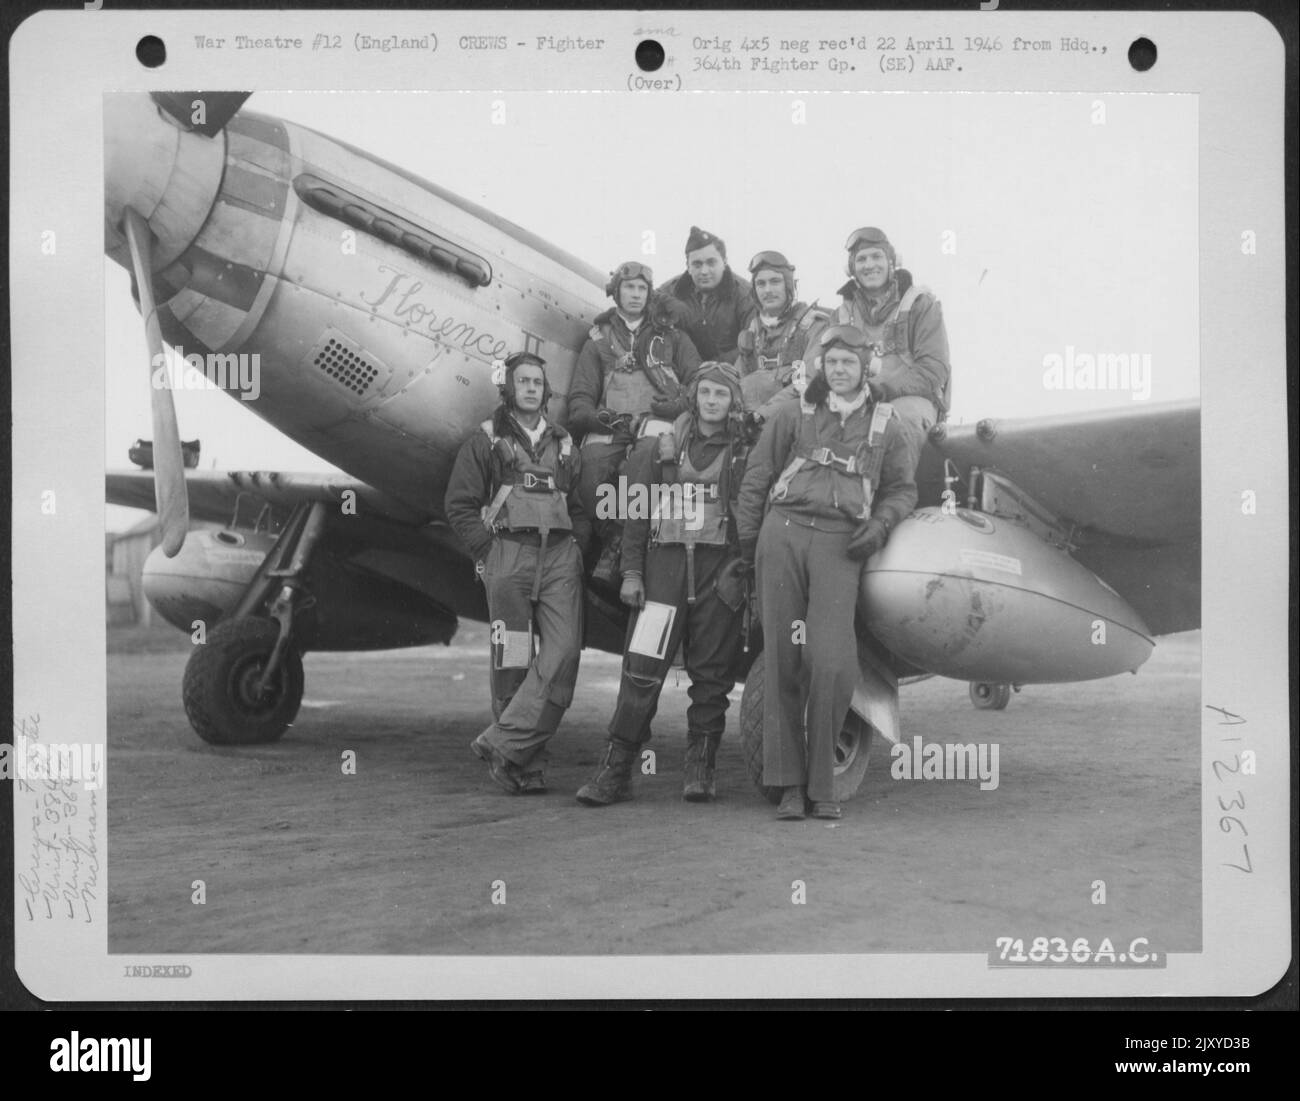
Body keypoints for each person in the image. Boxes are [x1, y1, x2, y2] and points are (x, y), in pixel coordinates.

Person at [735, 325, 917, 821]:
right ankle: (790, 785)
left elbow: (903, 489)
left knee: (832, 662)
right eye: (831, 362)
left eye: (848, 363)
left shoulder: (888, 425)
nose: (838, 370)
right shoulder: (793, 413)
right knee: (783, 659)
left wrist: (879, 526)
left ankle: (823, 784)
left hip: (841, 546)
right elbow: (757, 476)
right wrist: (748, 544)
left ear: (864, 369)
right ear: (821, 366)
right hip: (783, 537)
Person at [576, 361, 752, 807]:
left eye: (722, 395)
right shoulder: (659, 447)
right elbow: (635, 517)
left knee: (712, 674)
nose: (712, 402)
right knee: (641, 667)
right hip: (663, 571)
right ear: (694, 396)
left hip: (719, 573)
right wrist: (632, 573)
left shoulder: (743, 453)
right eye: (706, 392)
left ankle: (701, 768)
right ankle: (615, 772)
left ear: (733, 402)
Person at [444, 352, 590, 794]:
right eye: (522, 381)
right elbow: (460, 505)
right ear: (509, 388)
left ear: (547, 391)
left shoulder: (564, 444)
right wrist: (489, 554)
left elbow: (578, 506)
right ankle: (522, 765)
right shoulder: (485, 442)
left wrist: (576, 546)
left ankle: (504, 743)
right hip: (509, 556)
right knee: (513, 660)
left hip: (560, 558)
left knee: (564, 651)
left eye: (537, 382)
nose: (530, 388)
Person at [568, 260, 701, 579]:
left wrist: (677, 404)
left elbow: (699, 380)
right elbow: (580, 398)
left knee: (645, 461)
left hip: (657, 420)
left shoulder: (673, 338)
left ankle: (622, 550)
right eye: (629, 287)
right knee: (590, 473)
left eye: (643, 288)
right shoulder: (598, 343)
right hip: (612, 423)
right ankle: (612, 535)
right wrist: (597, 418)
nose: (636, 294)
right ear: (616, 291)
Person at [834, 227, 951, 476]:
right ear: (851, 268)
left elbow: (933, 369)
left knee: (893, 426)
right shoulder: (843, 315)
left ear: (891, 262)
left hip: (911, 400)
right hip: (855, 401)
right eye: (861, 259)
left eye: (876, 257)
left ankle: (892, 505)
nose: (869, 265)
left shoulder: (920, 305)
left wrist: (884, 390)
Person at [734, 250, 827, 427]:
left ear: (789, 285)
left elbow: (807, 382)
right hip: (749, 421)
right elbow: (736, 380)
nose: (768, 290)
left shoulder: (812, 325)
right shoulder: (753, 332)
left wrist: (762, 415)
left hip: (794, 420)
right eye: (761, 284)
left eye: (775, 281)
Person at [656, 226, 755, 363]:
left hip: (730, 372)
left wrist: (711, 368)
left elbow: (753, 342)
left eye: (711, 262)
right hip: (684, 370)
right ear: (688, 266)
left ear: (724, 261)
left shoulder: (744, 294)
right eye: (697, 264)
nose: (704, 271)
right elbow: (646, 302)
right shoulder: (671, 291)